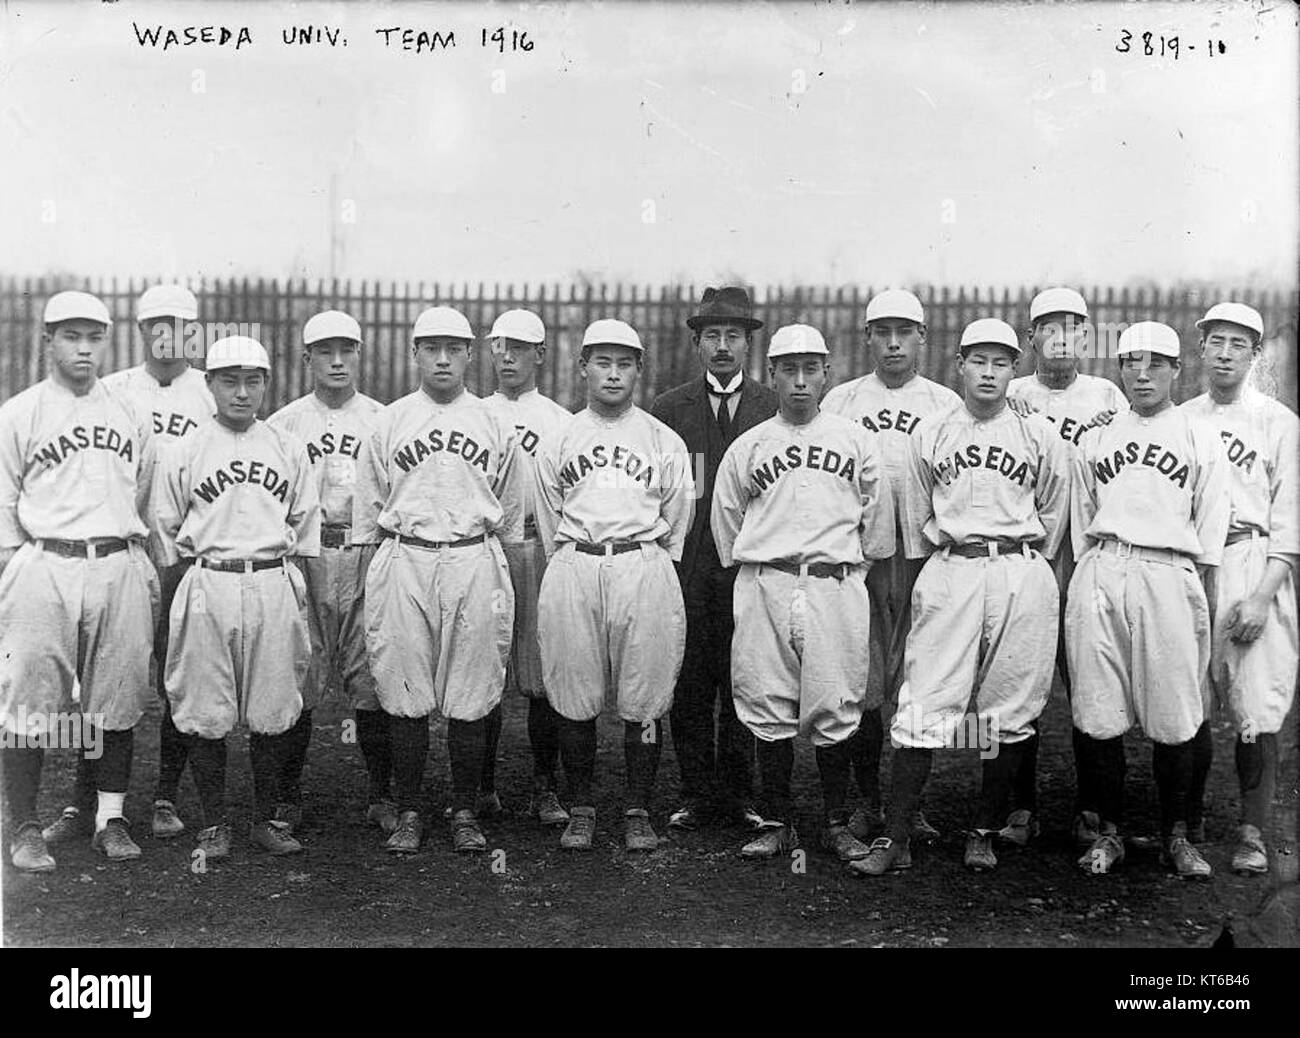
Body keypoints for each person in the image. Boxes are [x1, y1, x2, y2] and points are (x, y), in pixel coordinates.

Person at [853, 318, 1069, 876]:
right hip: (952, 566)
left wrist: (1018, 560)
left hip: (1020, 568)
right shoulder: (932, 432)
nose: (990, 372)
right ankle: (896, 837)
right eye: (979, 361)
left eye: (1001, 362)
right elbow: (918, 515)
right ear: (960, 366)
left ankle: (984, 830)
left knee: (1007, 706)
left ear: (1014, 370)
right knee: (923, 699)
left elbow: (1052, 515)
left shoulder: (1038, 435)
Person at [711, 323, 894, 861]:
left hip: (834, 584)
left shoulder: (856, 440)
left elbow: (876, 527)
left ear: (826, 374)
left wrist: (842, 566)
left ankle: (836, 822)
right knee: (766, 702)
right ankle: (776, 821)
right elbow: (726, 524)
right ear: (771, 375)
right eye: (787, 369)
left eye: (809, 369)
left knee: (836, 702)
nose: (798, 381)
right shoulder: (750, 445)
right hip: (766, 581)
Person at [353, 306, 523, 855]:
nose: (443, 359)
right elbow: (369, 515)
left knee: (473, 689)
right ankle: (408, 810)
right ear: (415, 354)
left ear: (472, 354)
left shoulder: (496, 422)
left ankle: (467, 809)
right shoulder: (389, 421)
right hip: (405, 555)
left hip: (474, 556)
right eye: (432, 348)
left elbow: (512, 516)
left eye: (455, 348)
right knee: (403, 687)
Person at [1069, 321, 1230, 879]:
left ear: (1177, 370)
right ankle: (1109, 833)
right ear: (1119, 369)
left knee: (1175, 711)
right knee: (1097, 707)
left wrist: (1203, 608)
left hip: (1169, 571)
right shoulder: (1095, 436)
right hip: (1104, 565)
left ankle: (1175, 836)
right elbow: (1081, 521)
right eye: (1132, 362)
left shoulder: (1199, 436)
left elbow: (1209, 538)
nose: (1143, 373)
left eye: (1156, 363)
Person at [1, 291, 156, 870]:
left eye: (94, 337)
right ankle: (24, 825)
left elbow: (142, 490)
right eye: (72, 336)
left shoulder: (128, 411)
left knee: (116, 697)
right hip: (45, 563)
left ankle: (109, 818)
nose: (84, 348)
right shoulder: (19, 413)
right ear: (48, 341)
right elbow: (3, 505)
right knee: (28, 701)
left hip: (116, 559)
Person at [151, 334, 320, 860]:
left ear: (267, 384)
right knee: (204, 706)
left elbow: (304, 523)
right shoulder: (185, 449)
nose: (242, 393)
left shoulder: (288, 447)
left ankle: (266, 819)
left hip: (272, 576)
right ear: (210, 385)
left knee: (274, 704)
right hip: (208, 577)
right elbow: (165, 528)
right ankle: (214, 823)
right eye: (230, 381)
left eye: (253, 381)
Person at [533, 319, 694, 852]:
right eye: (602, 362)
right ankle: (581, 806)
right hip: (576, 560)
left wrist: (647, 561)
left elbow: (678, 516)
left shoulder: (662, 439)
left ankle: (637, 809)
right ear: (583, 367)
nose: (613, 374)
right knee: (573, 693)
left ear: (638, 371)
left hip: (642, 563)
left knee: (645, 697)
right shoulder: (559, 437)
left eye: (624, 363)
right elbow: (546, 513)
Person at [75, 284, 215, 844]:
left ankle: (164, 796)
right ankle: (85, 802)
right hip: (126, 557)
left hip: (186, 559)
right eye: (156, 324)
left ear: (194, 332)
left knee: (181, 681)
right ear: (140, 330)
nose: (167, 335)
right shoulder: (109, 392)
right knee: (101, 682)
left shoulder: (212, 392)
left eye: (180, 325)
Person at [821, 288, 958, 843]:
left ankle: (911, 802)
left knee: (919, 677)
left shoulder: (946, 403)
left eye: (905, 332)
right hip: (863, 557)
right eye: (883, 332)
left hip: (927, 557)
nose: (894, 343)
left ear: (922, 337)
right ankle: (866, 797)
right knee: (864, 674)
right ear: (868, 338)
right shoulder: (843, 402)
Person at [1004, 287, 1128, 848]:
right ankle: (1014, 808)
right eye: (1046, 328)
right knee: (1013, 681)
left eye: (1069, 328)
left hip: (1086, 556)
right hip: (1028, 555)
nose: (1058, 338)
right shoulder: (1008, 392)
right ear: (1030, 338)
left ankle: (1095, 811)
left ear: (1085, 336)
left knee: (1091, 683)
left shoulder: (1107, 395)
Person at [651, 286, 776, 833]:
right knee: (693, 682)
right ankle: (698, 791)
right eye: (712, 337)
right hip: (690, 565)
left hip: (752, 563)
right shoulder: (668, 410)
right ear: (697, 344)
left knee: (745, 676)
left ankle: (741, 792)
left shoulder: (771, 407)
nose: (722, 347)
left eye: (733, 337)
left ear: (748, 345)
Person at [1182, 302, 1297, 875]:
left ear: (1254, 355)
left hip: (1254, 561)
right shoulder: (1183, 418)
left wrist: (1261, 594)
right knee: (1189, 698)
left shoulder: (1278, 422)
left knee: (1256, 705)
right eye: (1216, 342)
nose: (1225, 353)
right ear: (1201, 348)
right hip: (1194, 564)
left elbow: (1291, 520)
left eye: (1239, 344)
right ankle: (1189, 822)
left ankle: (1252, 829)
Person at [267, 310, 388, 835]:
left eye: (347, 350)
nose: (337, 361)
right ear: (307, 358)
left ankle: (384, 795)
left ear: (360, 354)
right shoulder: (285, 424)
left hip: (366, 550)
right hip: (307, 555)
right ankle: (285, 796)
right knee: (298, 673)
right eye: (324, 351)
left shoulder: (384, 421)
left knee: (375, 676)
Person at [478, 309, 574, 827]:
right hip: (488, 549)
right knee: (484, 665)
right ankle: (482, 787)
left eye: (519, 347)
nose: (507, 356)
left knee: (543, 673)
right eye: (499, 346)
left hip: (540, 548)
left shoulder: (560, 420)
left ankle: (545, 786)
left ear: (540, 353)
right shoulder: (475, 413)